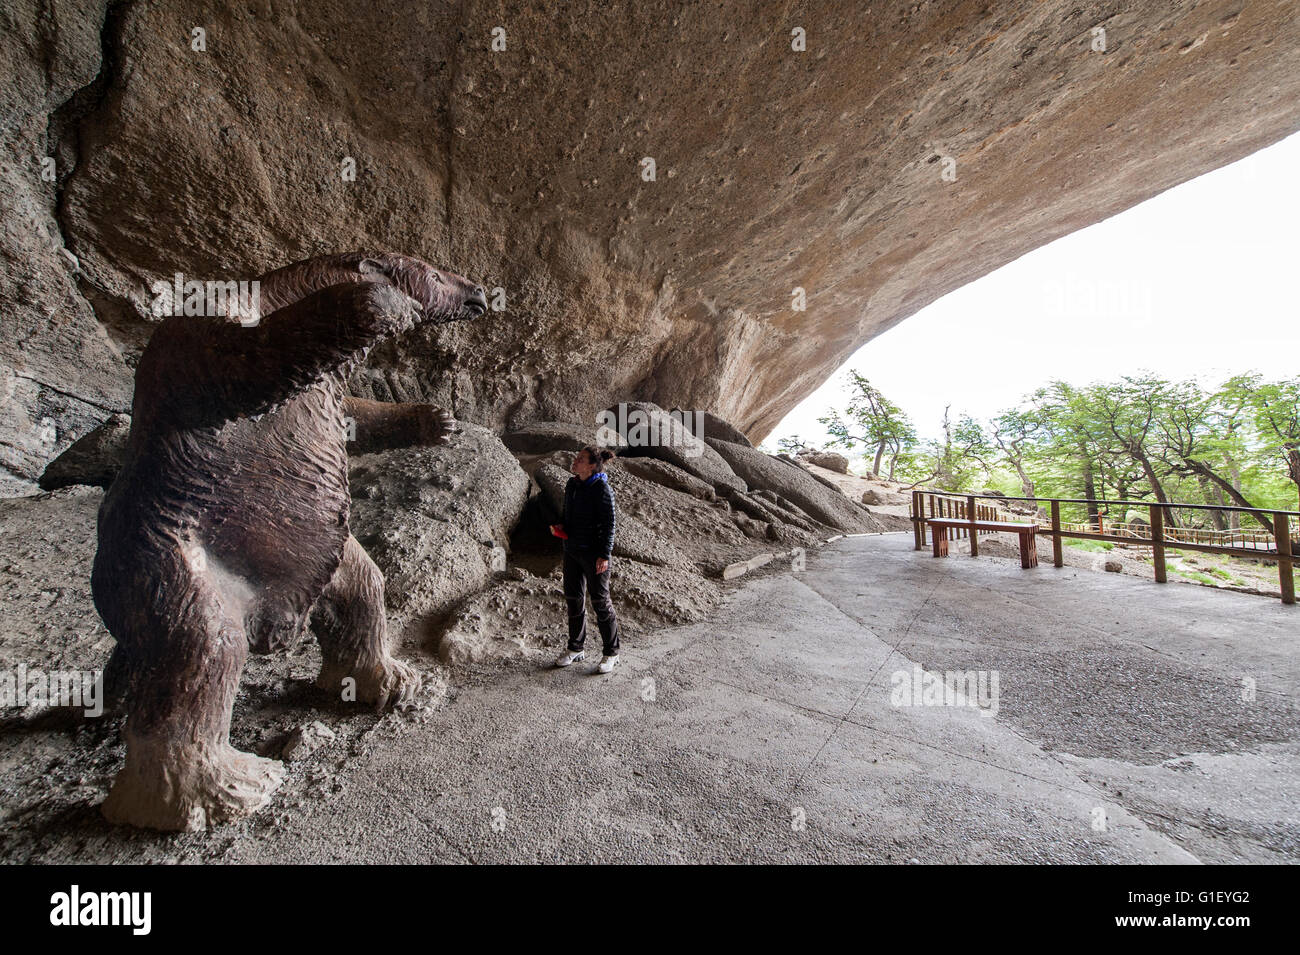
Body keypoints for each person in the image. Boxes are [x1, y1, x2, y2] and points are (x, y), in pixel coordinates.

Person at [551, 446, 620, 673]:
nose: (575, 460)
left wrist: (604, 555)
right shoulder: (572, 484)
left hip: (594, 555)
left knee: (600, 602)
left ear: (592, 465)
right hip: (572, 550)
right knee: (574, 599)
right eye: (576, 457)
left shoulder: (602, 489)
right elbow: (568, 512)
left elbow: (610, 525)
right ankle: (576, 648)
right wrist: (562, 526)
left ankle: (611, 653)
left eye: (580, 459)